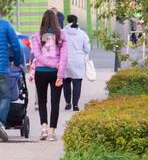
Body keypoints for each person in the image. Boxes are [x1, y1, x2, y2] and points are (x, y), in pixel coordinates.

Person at [29, 9, 67, 140]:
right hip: (56, 73)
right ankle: (52, 133)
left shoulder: (37, 35)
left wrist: (50, 65)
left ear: (43, 20)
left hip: (41, 72)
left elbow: (37, 56)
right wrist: (59, 72)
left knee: (42, 101)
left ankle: (44, 129)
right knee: (55, 102)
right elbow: (64, 56)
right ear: (56, 20)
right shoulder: (61, 35)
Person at [0, 13, 24, 142]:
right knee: (5, 96)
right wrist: (17, 61)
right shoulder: (5, 24)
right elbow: (16, 45)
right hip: (2, 69)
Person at [62, 14, 91, 112]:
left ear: (67, 21)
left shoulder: (62, 33)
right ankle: (75, 105)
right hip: (78, 61)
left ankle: (67, 103)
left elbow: (58, 46)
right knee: (77, 83)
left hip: (65, 61)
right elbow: (87, 49)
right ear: (77, 21)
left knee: (66, 83)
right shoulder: (82, 34)